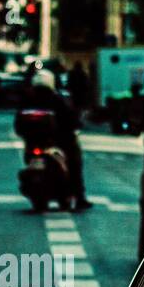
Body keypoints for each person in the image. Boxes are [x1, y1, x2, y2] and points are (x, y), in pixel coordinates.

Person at [25, 69, 91, 211]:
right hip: (59, 143)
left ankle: (78, 196)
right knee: (75, 162)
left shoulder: (28, 99)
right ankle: (80, 197)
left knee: (74, 161)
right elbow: (71, 119)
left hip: (38, 144)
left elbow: (18, 124)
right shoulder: (58, 99)